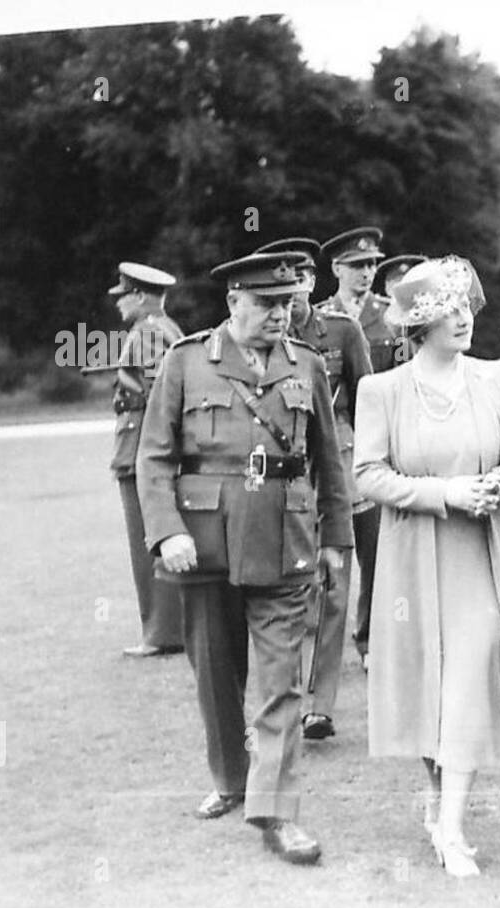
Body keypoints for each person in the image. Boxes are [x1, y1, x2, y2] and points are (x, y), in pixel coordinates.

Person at [136, 251, 354, 865]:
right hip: (202, 543)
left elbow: (328, 462)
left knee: (281, 681)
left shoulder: (306, 365)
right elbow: (154, 457)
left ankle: (276, 813)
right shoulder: (185, 363)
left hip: (286, 540)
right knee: (215, 672)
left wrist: (338, 539)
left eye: (286, 304)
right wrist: (165, 531)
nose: (279, 315)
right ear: (233, 303)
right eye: (265, 304)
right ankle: (232, 778)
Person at [353, 256, 500, 877]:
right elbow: (368, 474)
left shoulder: (496, 377)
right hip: (411, 555)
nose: (464, 317)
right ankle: (437, 796)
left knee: (467, 676)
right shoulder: (380, 390)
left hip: (476, 555)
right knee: (426, 686)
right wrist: (446, 494)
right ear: (420, 325)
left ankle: (451, 827)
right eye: (448, 310)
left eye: (466, 305)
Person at [257, 236, 373, 740]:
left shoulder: (341, 331)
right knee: (290, 589)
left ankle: (319, 705)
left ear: (312, 280)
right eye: (283, 281)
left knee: (335, 584)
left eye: (301, 278)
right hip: (285, 475)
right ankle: (283, 692)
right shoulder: (262, 337)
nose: (294, 289)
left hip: (339, 467)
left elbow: (368, 398)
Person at [85, 262, 185, 658]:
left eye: (123, 295)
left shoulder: (146, 333)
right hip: (148, 450)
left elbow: (161, 397)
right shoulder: (165, 329)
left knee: (148, 541)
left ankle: (161, 634)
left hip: (142, 452)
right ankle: (166, 630)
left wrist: (150, 454)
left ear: (141, 296)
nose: (119, 303)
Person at [318, 226, 393, 671]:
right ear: (337, 270)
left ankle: (370, 639)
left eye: (371, 265)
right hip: (332, 439)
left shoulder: (390, 315)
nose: (366, 273)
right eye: (357, 266)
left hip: (375, 441)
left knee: (376, 550)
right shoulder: (319, 317)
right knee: (328, 549)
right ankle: (319, 639)